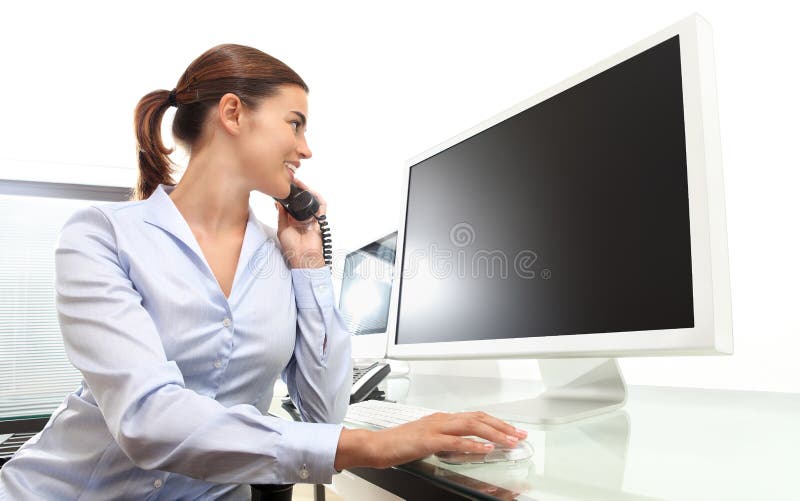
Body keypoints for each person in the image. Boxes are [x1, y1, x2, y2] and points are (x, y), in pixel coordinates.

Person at [0, 44, 527, 500]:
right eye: (295, 123)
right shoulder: (102, 234)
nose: (306, 148)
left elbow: (324, 414)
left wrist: (308, 266)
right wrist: (373, 444)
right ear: (233, 113)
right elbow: (146, 420)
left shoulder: (281, 259)